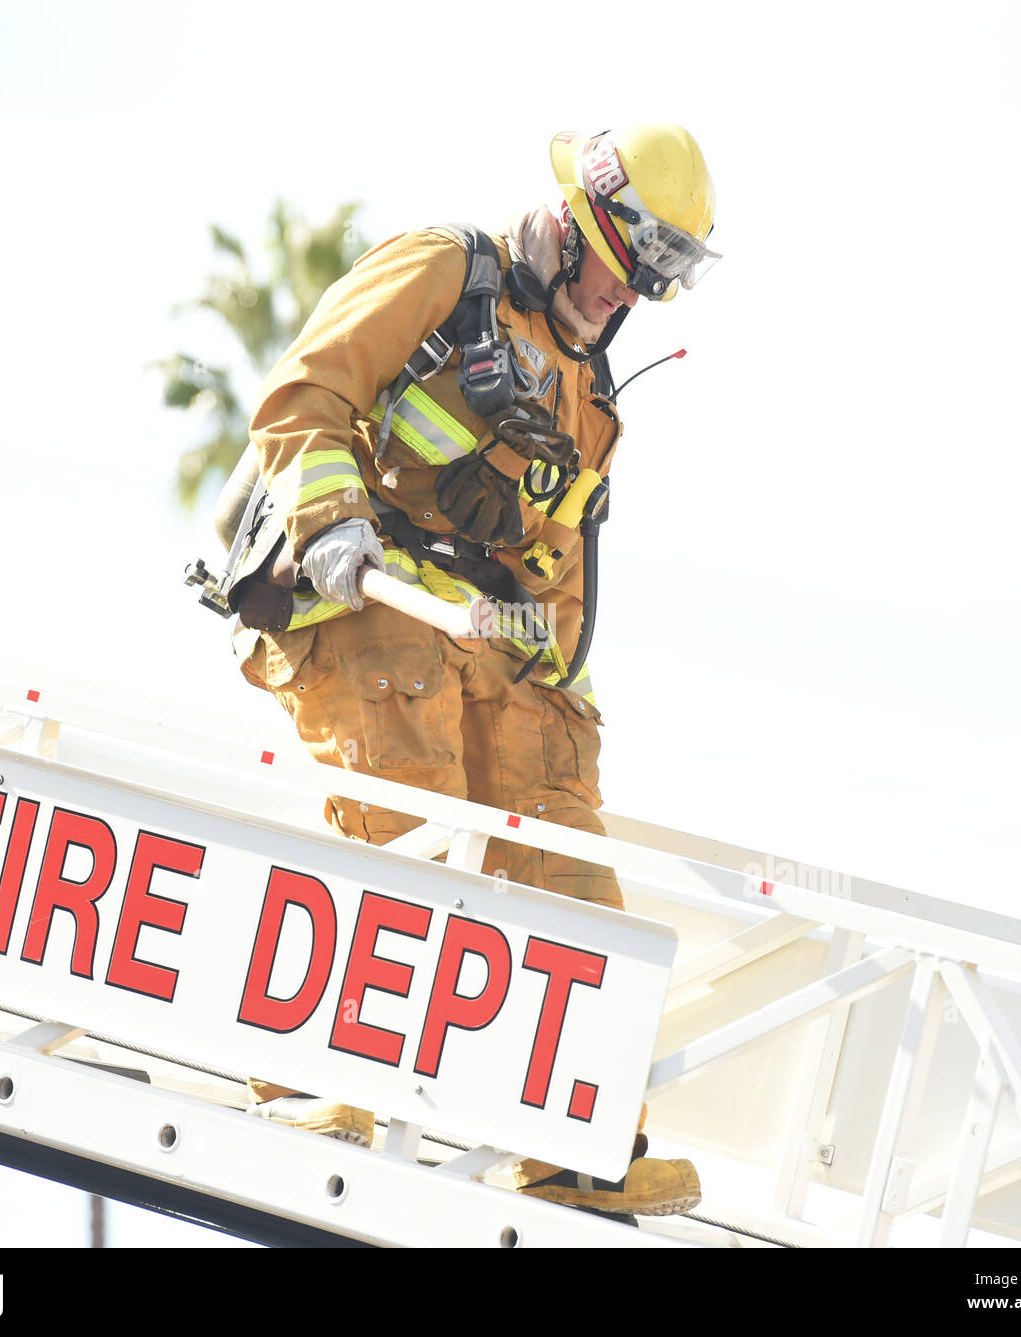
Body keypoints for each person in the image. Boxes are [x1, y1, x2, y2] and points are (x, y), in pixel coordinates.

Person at [231, 124, 720, 1218]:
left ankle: (575, 1144)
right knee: (412, 809)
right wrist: (331, 519)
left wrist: (554, 683)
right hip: (364, 605)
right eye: (624, 262)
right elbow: (303, 394)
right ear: (581, 219)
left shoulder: (591, 396)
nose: (628, 294)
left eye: (654, 280)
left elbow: (554, 581)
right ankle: (310, 1073)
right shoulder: (445, 270)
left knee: (562, 845)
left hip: (475, 638)